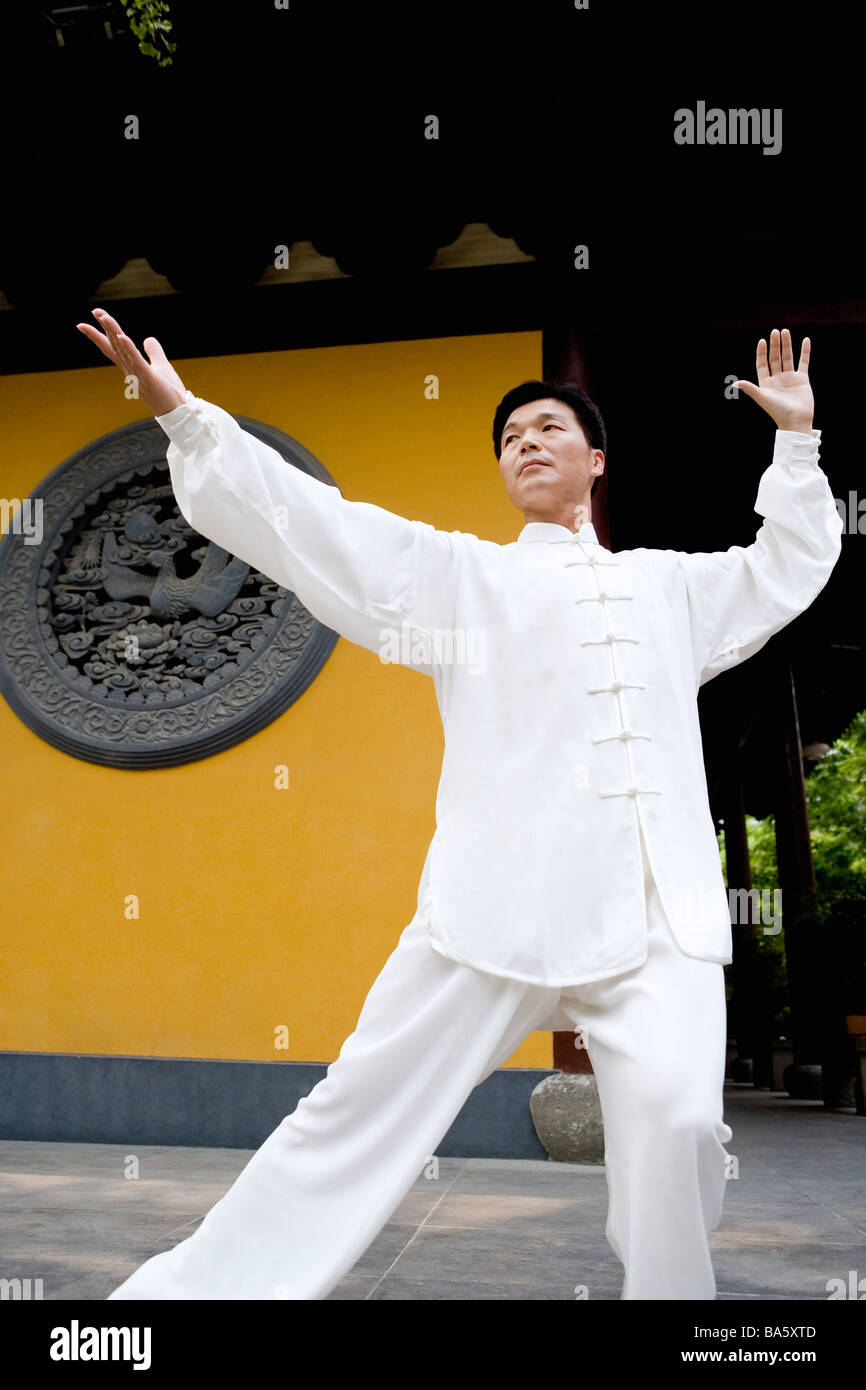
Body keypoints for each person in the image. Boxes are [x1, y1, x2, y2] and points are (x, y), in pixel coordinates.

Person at [76, 311, 842, 1299]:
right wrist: (190, 423)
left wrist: (793, 440)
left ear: (595, 462)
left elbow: (782, 569)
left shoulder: (669, 592)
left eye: (547, 430)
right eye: (510, 437)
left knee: (681, 1121)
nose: (525, 443)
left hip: (658, 915)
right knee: (355, 1111)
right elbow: (320, 526)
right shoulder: (458, 579)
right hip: (489, 909)